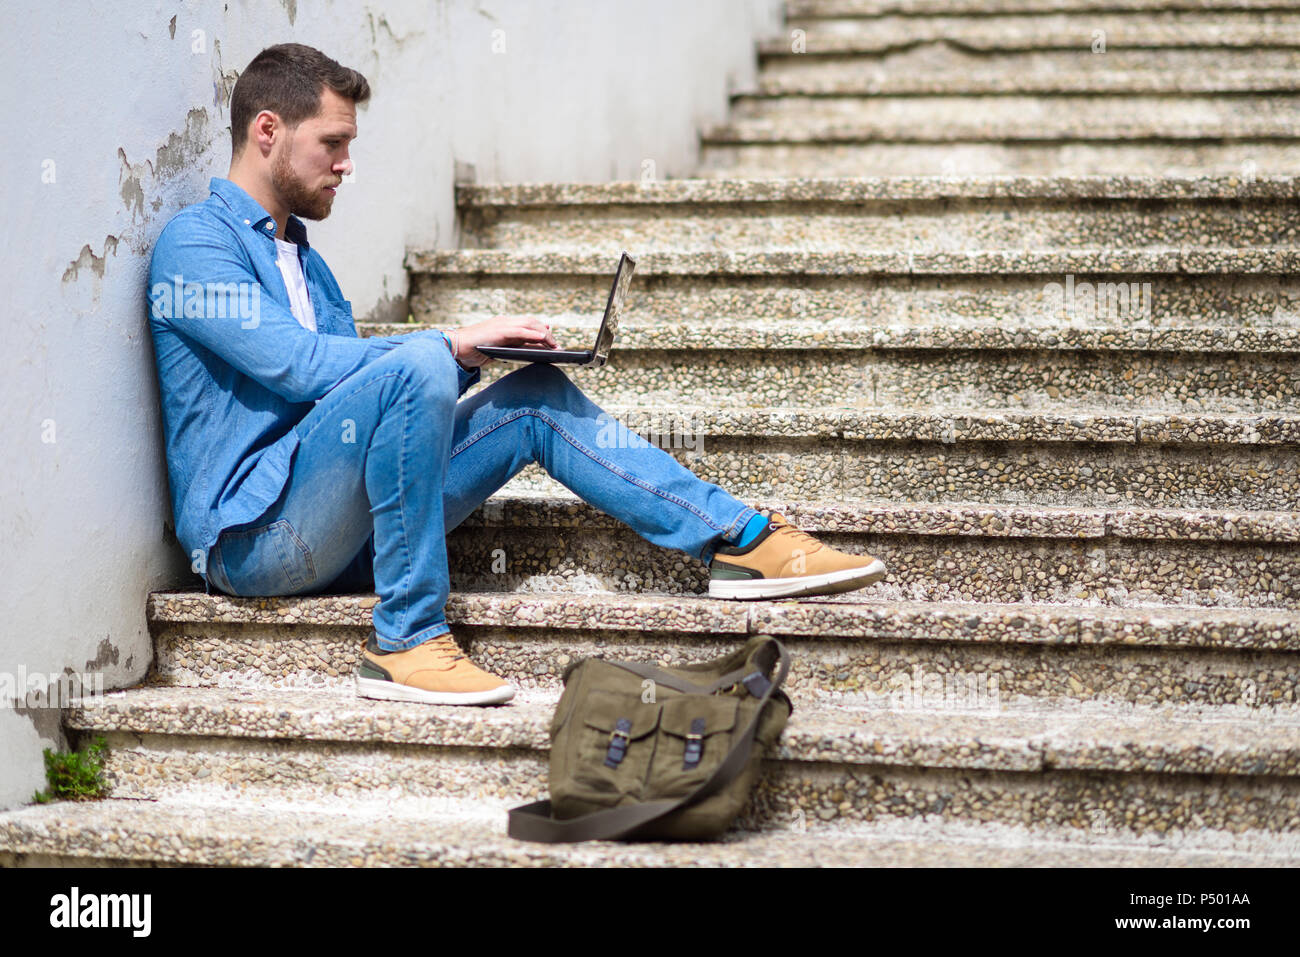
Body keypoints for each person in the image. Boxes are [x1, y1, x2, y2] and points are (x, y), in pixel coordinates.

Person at [146, 43, 886, 707]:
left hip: (348, 528)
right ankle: (406, 638)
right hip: (256, 542)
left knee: (531, 396)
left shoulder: (308, 263)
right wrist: (447, 342)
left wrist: (467, 360)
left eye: (349, 145)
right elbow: (301, 368)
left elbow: (353, 397)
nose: (346, 164)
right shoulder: (195, 246)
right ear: (267, 130)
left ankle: (739, 538)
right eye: (332, 143)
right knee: (418, 357)